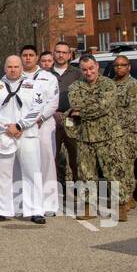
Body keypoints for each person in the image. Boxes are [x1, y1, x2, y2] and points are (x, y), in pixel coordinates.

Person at [0, 55, 47, 224]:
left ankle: (35, 210)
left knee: (32, 172)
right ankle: (0, 209)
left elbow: (37, 108)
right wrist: (6, 126)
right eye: (10, 66)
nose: (13, 69)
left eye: (16, 66)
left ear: (21, 67)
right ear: (5, 68)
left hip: (27, 134)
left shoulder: (34, 86)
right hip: (3, 135)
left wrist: (20, 125)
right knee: (0, 173)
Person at [64, 55, 125, 221]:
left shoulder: (108, 84)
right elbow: (75, 103)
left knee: (114, 171)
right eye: (84, 69)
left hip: (108, 136)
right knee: (86, 173)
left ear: (97, 66)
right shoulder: (75, 86)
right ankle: (88, 207)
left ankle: (120, 205)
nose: (88, 72)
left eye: (91, 68)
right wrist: (84, 108)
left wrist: (81, 112)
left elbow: (104, 107)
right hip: (85, 136)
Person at [20, 45, 61, 216]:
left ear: (37, 57)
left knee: (46, 162)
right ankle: (24, 203)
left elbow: (53, 102)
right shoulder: (16, 76)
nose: (28, 58)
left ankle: (49, 203)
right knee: (24, 163)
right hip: (22, 126)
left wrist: (40, 118)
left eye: (31, 55)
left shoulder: (48, 77)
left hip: (43, 125)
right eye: (24, 55)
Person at [111, 55, 137, 214]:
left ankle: (128, 197)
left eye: (123, 65)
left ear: (129, 67)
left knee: (126, 165)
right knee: (116, 166)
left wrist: (111, 124)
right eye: (116, 65)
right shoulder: (110, 84)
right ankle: (122, 196)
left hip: (129, 133)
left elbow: (132, 113)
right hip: (112, 134)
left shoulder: (134, 85)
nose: (119, 68)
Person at [50, 41, 81, 185]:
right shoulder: (45, 74)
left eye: (64, 52)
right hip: (50, 120)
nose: (61, 55)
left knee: (75, 156)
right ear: (53, 54)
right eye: (58, 52)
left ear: (69, 55)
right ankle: (52, 191)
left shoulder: (77, 73)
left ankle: (77, 189)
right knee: (51, 157)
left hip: (71, 121)